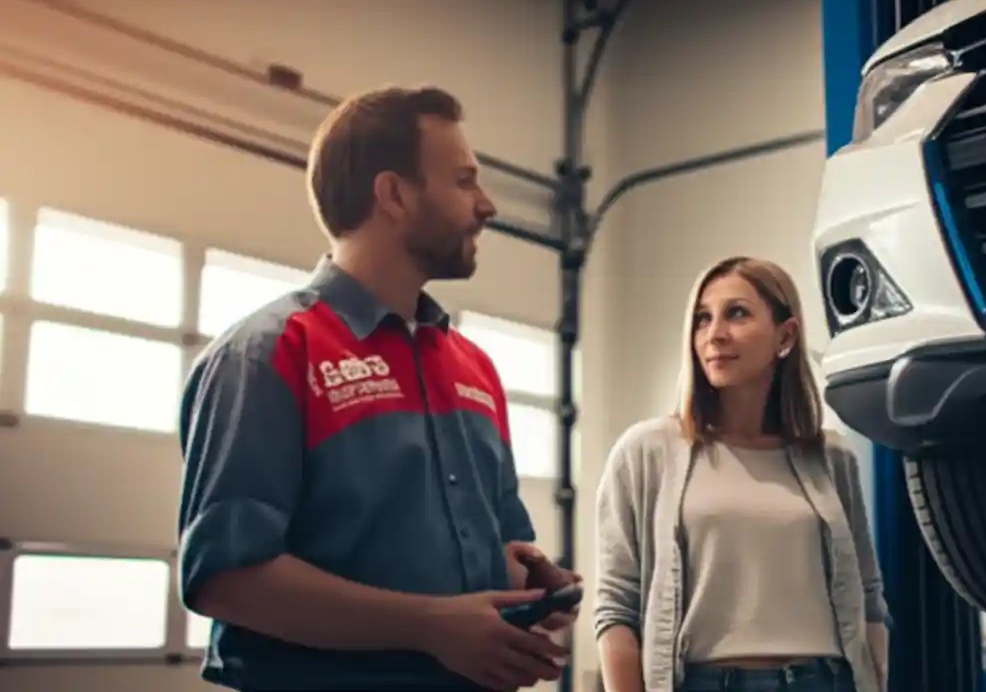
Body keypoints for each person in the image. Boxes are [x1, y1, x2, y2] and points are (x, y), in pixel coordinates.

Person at [176, 86, 578, 692]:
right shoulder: (267, 353)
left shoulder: (474, 367)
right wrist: (430, 626)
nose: (488, 205)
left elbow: (502, 541)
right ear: (393, 194)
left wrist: (528, 580)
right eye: (465, 181)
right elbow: (225, 577)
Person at [593, 256, 891, 692]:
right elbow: (616, 607)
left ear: (785, 336)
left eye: (737, 313)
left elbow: (868, 598)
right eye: (702, 319)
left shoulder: (830, 457)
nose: (714, 334)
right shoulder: (646, 451)